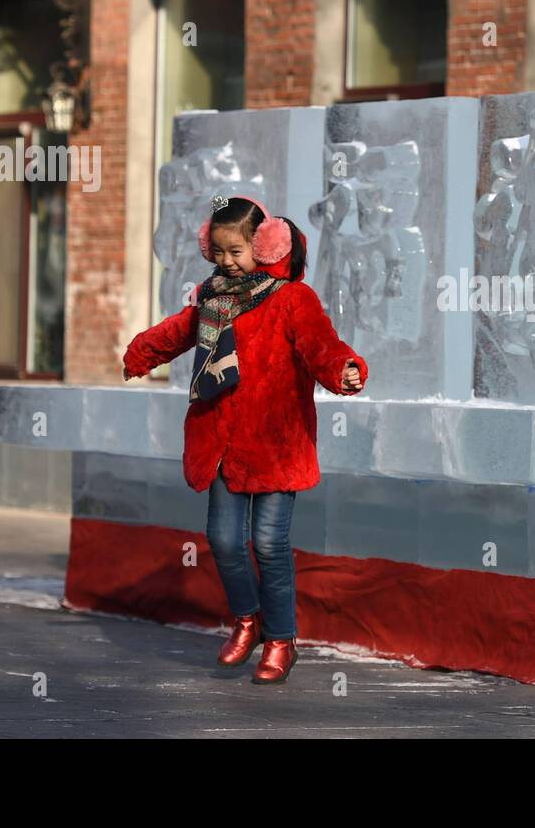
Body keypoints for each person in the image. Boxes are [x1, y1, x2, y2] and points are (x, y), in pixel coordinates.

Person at [122, 193, 368, 684]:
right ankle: (247, 619)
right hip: (222, 440)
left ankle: (281, 639)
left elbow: (321, 343)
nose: (226, 262)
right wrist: (140, 353)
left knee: (270, 544)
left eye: (236, 251)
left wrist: (344, 369)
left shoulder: (293, 299)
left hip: (275, 443)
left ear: (267, 244)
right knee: (224, 540)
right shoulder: (212, 298)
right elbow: (178, 331)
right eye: (218, 252)